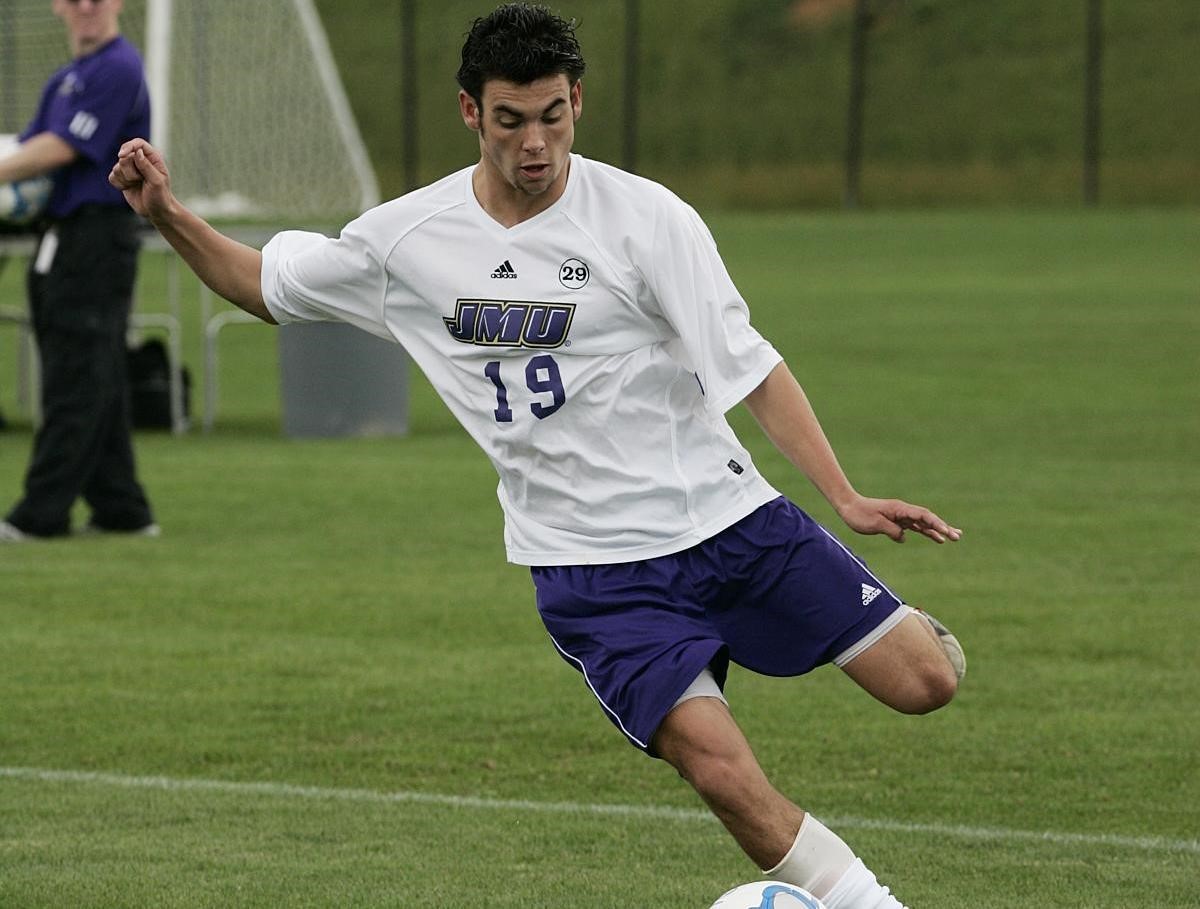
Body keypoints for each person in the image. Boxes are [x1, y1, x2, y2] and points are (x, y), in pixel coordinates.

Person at [110, 4, 965, 905]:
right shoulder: (408, 240)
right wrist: (166, 211)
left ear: (578, 103)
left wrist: (845, 495)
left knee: (926, 681)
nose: (535, 144)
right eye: (511, 119)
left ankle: (897, 629)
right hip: (590, 569)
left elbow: (748, 367)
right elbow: (264, 284)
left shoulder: (646, 219)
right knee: (721, 773)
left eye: (552, 116)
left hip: (727, 519)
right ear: (470, 113)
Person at [0, 0, 158, 543]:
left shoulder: (118, 67)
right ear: (58, 7)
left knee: (76, 376)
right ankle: (122, 508)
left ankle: (39, 515)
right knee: (97, 374)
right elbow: (29, 149)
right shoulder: (66, 77)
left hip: (95, 237)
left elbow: (59, 148)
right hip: (59, 239)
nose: (87, 6)